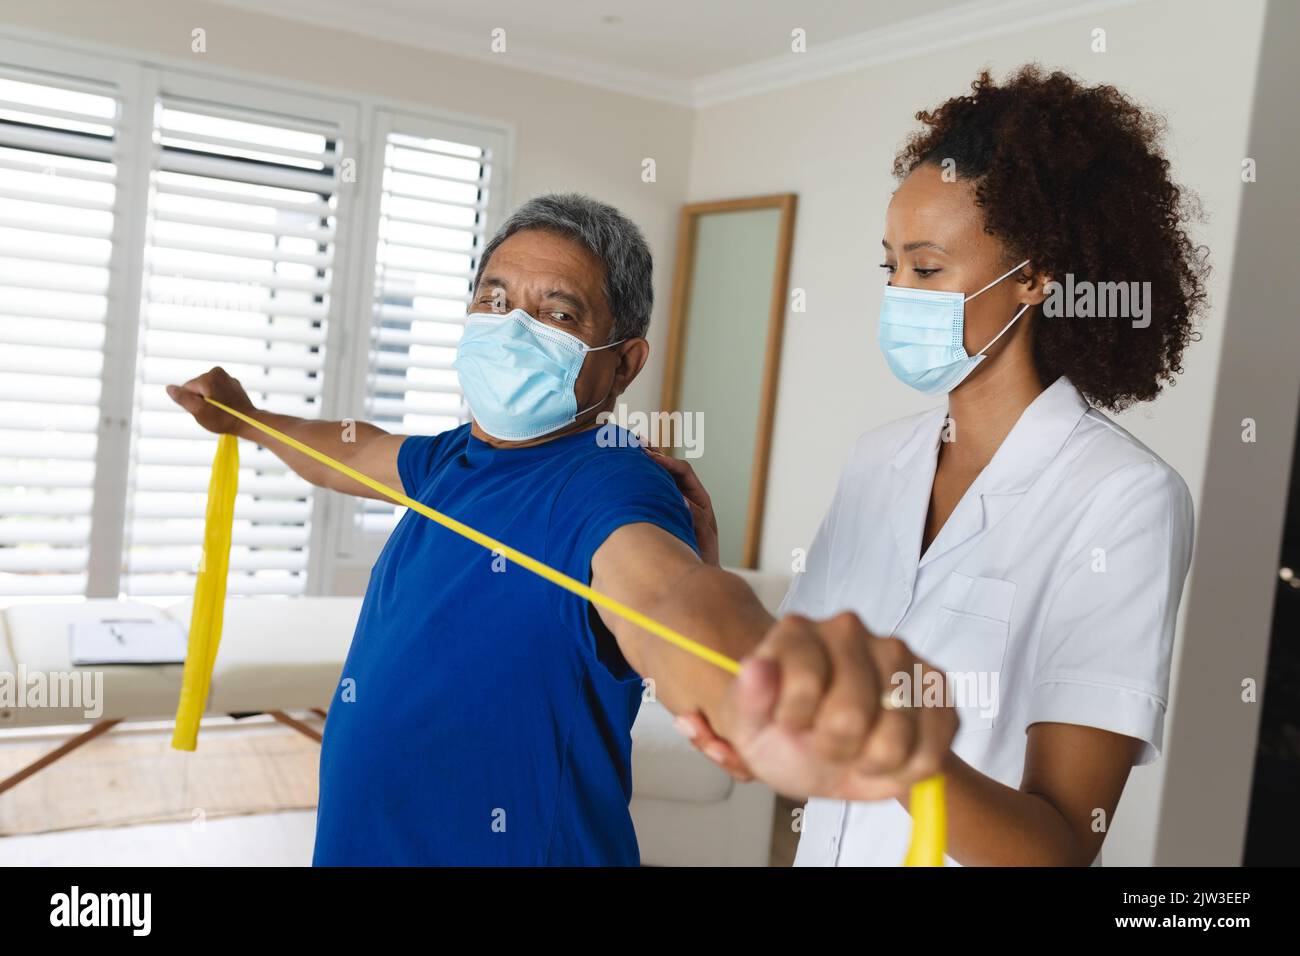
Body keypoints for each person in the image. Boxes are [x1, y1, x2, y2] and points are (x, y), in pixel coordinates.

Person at [166, 193, 956, 866]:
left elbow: (673, 597)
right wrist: (247, 416)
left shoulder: (612, 480)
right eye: (496, 299)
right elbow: (353, 451)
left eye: (558, 312)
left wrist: (761, 689)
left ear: (623, 364)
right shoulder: (455, 458)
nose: (512, 328)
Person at [660, 66, 1205, 866]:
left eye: (926, 269)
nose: (898, 296)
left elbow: (1060, 845)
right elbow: (800, 678)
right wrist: (705, 580)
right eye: (891, 269)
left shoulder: (1122, 498)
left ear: (1035, 276)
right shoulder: (879, 460)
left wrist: (907, 762)